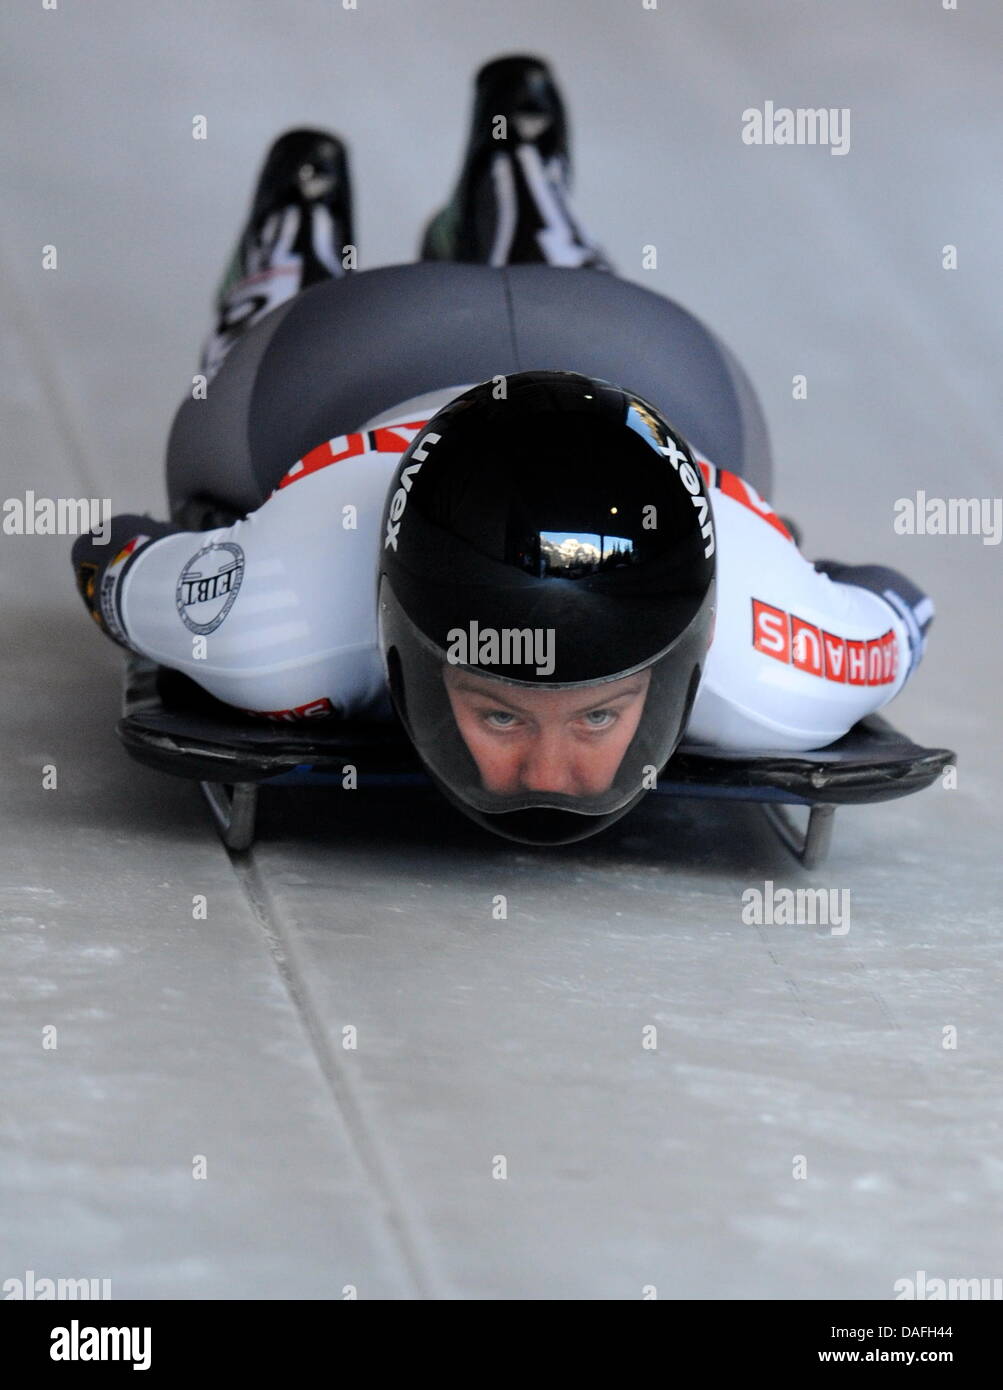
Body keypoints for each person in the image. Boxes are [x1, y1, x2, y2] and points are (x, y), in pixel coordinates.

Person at [71, 55, 934, 845]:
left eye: (597, 717)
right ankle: (499, 207)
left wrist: (193, 551)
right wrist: (801, 567)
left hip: (396, 342)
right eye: (501, 715)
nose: (545, 778)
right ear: (392, 631)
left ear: (696, 649)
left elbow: (114, 552)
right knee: (214, 462)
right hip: (394, 354)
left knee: (209, 500)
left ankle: (372, 232)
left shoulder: (773, 660)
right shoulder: (266, 623)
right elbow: (892, 598)